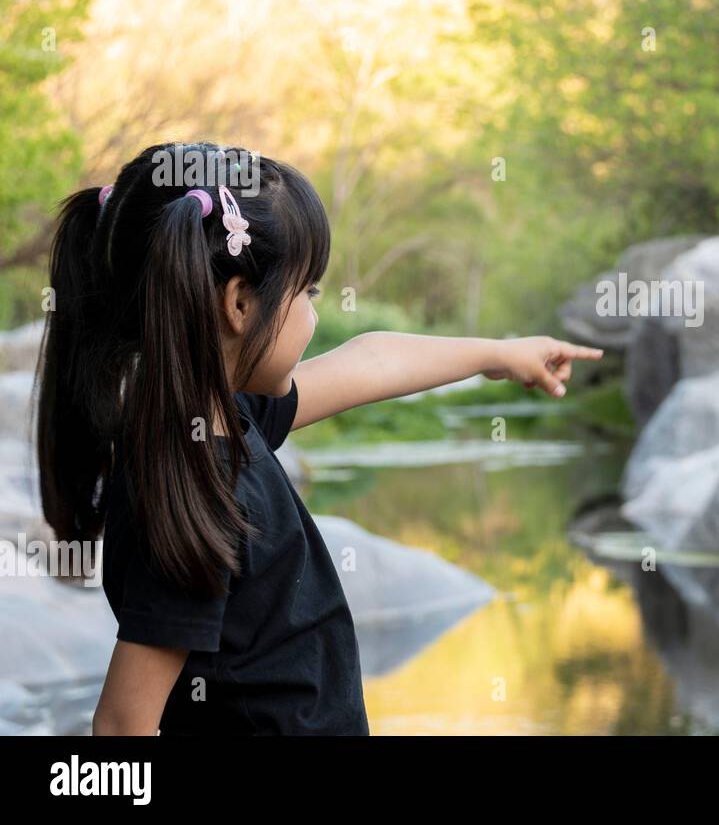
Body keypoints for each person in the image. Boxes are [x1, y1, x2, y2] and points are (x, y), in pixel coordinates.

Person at [34, 141, 603, 735]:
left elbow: (372, 362)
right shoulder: (190, 497)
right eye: (307, 293)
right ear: (239, 303)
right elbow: (123, 725)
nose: (314, 313)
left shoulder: (225, 425)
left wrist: (500, 354)